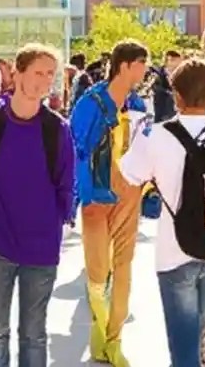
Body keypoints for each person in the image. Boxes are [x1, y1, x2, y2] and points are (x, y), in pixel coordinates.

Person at [118, 57, 205, 367]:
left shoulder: (154, 135)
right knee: (194, 336)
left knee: (184, 348)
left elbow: (128, 178)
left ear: (175, 94)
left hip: (173, 252)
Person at [0, 44, 76, 367]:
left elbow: (67, 184)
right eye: (38, 72)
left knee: (34, 332)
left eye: (50, 74)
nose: (44, 80)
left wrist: (61, 223)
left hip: (41, 246)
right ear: (18, 72)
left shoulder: (57, 129)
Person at [71, 40, 152, 367]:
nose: (145, 71)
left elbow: (146, 148)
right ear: (125, 65)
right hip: (97, 197)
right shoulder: (90, 103)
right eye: (142, 64)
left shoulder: (139, 106)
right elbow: (76, 151)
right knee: (96, 273)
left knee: (124, 267)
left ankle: (115, 340)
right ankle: (100, 334)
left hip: (130, 194)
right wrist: (85, 196)